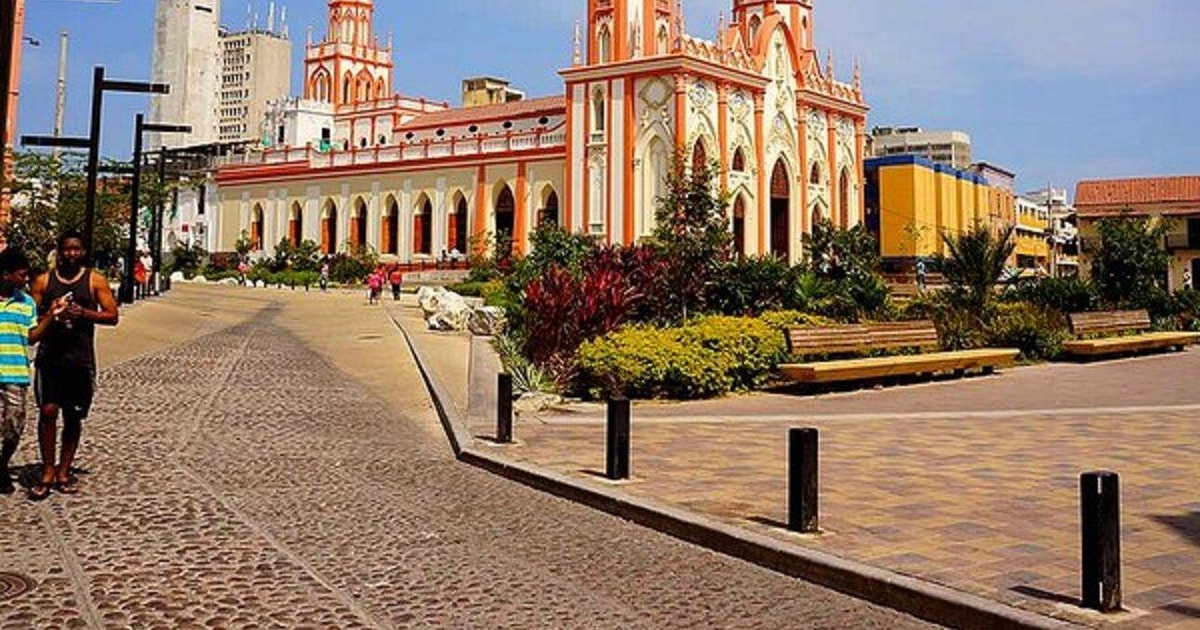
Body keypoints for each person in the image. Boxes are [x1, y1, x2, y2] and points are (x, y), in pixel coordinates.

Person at [28, 231, 120, 500]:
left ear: (83, 251)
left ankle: (64, 471)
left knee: (73, 415)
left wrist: (84, 313)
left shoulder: (94, 280)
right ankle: (47, 470)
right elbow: (31, 318)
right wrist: (51, 314)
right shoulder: (44, 281)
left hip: (80, 358)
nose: (72, 254)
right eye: (67, 249)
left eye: (76, 249)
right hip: (50, 356)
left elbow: (112, 315)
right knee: (47, 411)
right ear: (59, 251)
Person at [0, 249, 60, 495]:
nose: (26, 280)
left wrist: (50, 317)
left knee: (14, 427)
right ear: (6, 275)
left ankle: (2, 463)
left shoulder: (26, 304)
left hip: (15, 373)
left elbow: (32, 337)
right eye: (21, 275)